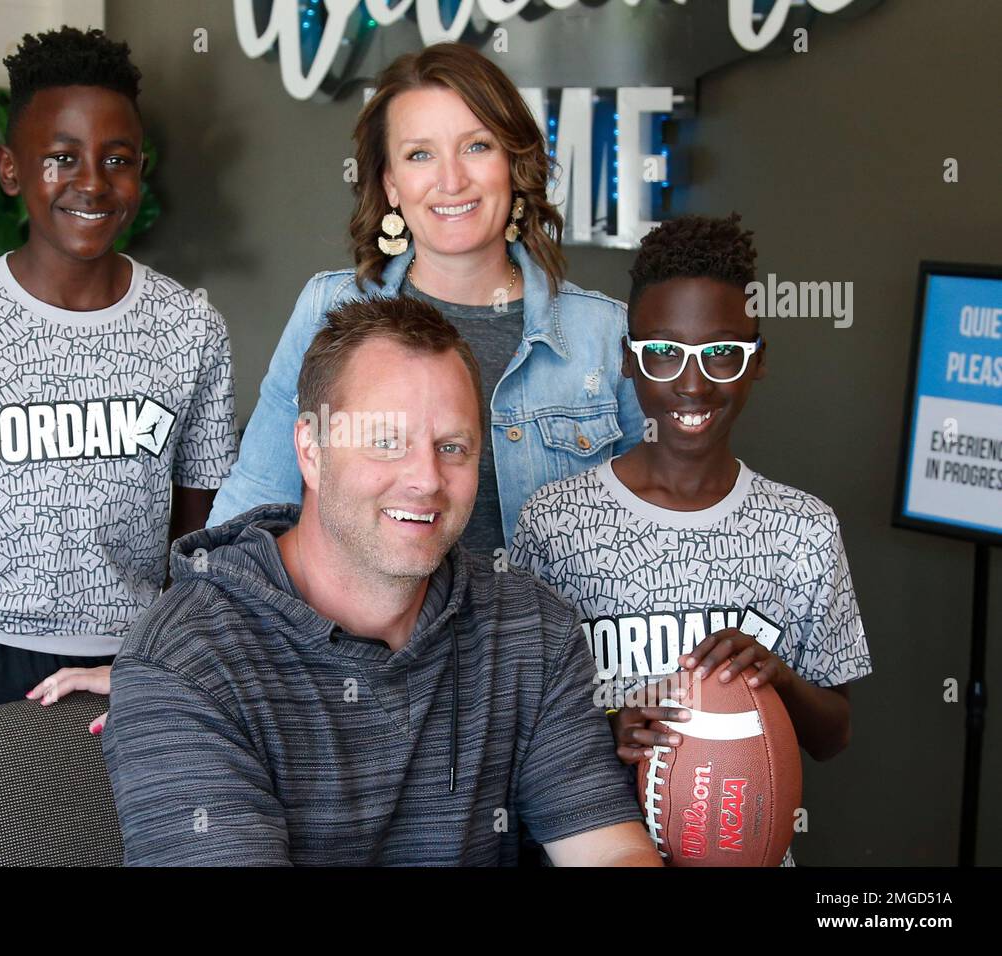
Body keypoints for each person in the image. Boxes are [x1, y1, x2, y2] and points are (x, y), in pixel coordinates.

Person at [0, 27, 236, 866]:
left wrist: (164, 662)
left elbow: (196, 536)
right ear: (11, 169)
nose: (92, 182)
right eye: (62, 157)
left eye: (119, 158)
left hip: (126, 671)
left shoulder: (190, 328)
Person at [101, 295, 661, 866]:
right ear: (311, 451)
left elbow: (610, 849)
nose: (426, 479)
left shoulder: (529, 626)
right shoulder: (187, 660)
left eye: (452, 448)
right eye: (386, 442)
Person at [509, 214, 872, 865]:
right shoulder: (556, 522)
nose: (693, 382)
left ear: (757, 360)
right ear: (628, 358)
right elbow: (521, 727)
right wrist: (612, 722)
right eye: (663, 352)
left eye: (722, 352)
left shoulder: (805, 529)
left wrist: (780, 681)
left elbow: (833, 736)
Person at [207, 42, 645, 559]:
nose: (451, 179)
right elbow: (251, 512)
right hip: (364, 640)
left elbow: (650, 536)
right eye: (420, 154)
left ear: (513, 162)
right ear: (391, 183)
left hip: (552, 637)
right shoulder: (329, 309)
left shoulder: (602, 333)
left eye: (477, 146)